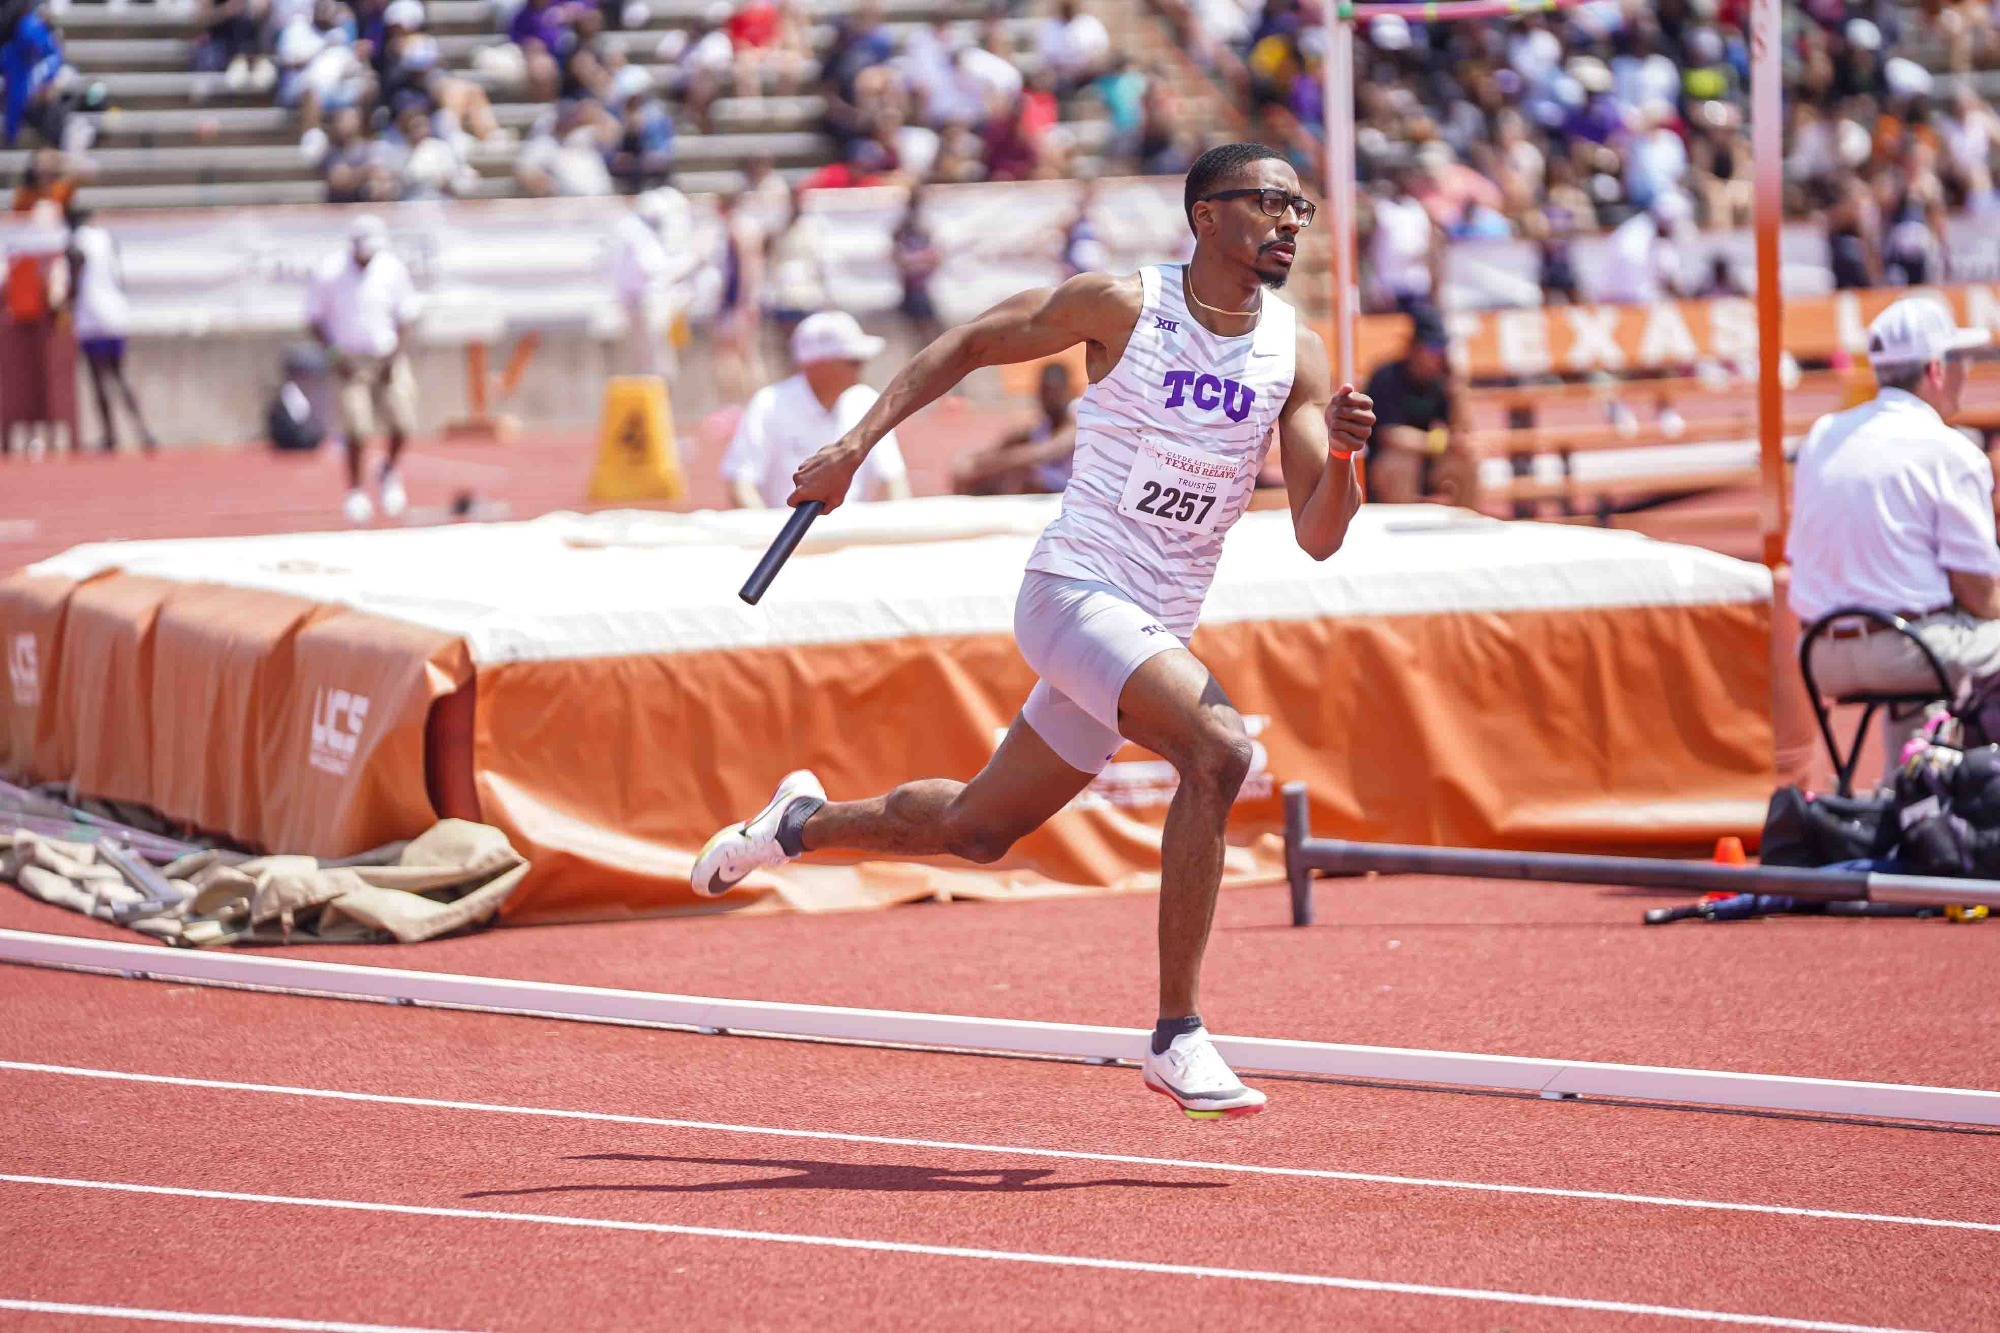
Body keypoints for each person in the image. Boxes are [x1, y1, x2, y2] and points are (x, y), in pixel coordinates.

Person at [692, 143, 1375, 1119]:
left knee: (976, 828)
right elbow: (972, 342)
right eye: (1267, 202)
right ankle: (1176, 1033)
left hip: (1148, 626)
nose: (1288, 223)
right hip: (1075, 590)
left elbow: (1317, 536)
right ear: (1206, 216)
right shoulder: (1122, 306)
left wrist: (1345, 459)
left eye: (1298, 207)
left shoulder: (1293, 353)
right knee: (1218, 748)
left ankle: (796, 826)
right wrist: (852, 446)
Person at [1788, 296, 2000, 782]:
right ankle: (1962, 793)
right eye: (1959, 361)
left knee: (1925, 628)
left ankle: (1907, 790)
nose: (1966, 372)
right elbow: (1980, 595)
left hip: (1818, 651)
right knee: (1953, 635)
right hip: (1906, 651)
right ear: (1935, 370)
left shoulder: (1823, 435)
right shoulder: (1951, 450)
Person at [719, 309, 911, 509]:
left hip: (852, 532)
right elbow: (740, 481)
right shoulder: (768, 404)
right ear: (819, 364)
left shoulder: (866, 401)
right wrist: (773, 535)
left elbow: (894, 479)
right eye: (853, 360)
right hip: (790, 529)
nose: (862, 366)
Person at [306, 214, 422, 523]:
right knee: (356, 428)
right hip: (349, 361)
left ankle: (389, 470)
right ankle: (356, 490)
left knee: (403, 422)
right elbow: (314, 319)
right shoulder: (330, 272)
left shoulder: (392, 269)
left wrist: (395, 355)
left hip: (387, 356)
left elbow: (407, 316)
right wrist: (334, 354)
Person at [62, 204, 155, 454]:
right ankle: (143, 431)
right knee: (119, 374)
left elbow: (74, 283)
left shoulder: (75, 244)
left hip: (91, 315)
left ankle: (110, 434)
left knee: (97, 377)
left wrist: (63, 304)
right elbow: (118, 276)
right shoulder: (106, 239)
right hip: (115, 311)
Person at [1361, 306, 1475, 507]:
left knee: (1464, 462)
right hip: (1384, 463)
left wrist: (1458, 391)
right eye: (1433, 347)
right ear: (1414, 347)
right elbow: (1390, 436)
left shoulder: (1442, 380)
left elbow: (1462, 432)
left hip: (1429, 462)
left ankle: (1465, 524)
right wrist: (1438, 444)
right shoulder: (1387, 377)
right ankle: (1401, 524)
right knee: (1401, 464)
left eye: (1442, 348)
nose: (1438, 355)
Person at [951, 359, 1079, 495]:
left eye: (1053, 393)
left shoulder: (1077, 416)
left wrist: (986, 464)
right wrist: (977, 460)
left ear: (1067, 391)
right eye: (1044, 393)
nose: (1047, 399)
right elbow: (1012, 440)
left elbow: (1047, 451)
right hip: (1050, 488)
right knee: (987, 478)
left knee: (1022, 474)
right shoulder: (1043, 426)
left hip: (1073, 490)